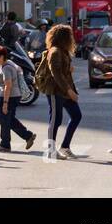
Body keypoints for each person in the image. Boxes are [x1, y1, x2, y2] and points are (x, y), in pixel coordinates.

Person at [39, 23, 82, 159]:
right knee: (55, 120)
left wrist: (69, 69)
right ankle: (50, 151)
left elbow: (62, 71)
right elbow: (56, 74)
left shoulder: (63, 51)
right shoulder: (55, 51)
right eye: (70, 36)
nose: (72, 39)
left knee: (76, 115)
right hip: (55, 90)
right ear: (64, 38)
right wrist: (69, 91)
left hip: (64, 90)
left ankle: (65, 146)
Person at [0, 45, 35, 151]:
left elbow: (8, 85)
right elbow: (19, 70)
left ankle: (5, 144)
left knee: (3, 120)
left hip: (8, 96)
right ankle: (28, 136)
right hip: (15, 96)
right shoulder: (10, 63)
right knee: (10, 120)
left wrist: (5, 103)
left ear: (2, 56)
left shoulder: (6, 68)